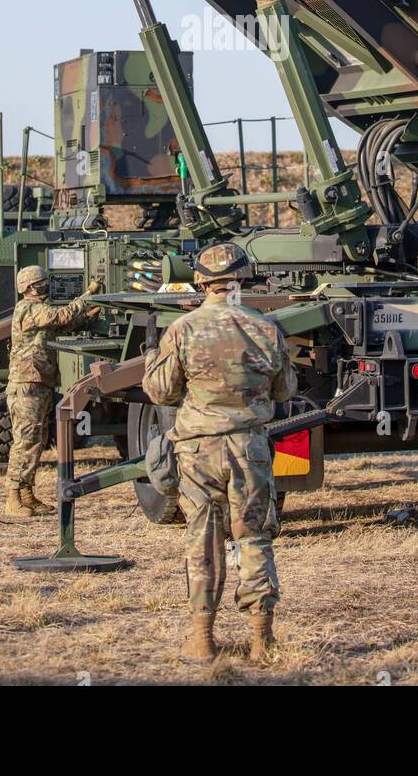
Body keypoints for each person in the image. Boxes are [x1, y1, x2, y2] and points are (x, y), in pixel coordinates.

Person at [142, 241, 297, 663]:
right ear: (241, 280)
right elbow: (286, 390)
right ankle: (263, 639)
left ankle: (202, 639)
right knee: (254, 537)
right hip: (250, 447)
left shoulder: (184, 330)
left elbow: (160, 391)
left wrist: (154, 359)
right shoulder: (265, 328)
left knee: (203, 540)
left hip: (198, 451)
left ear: (201, 282)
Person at [5, 263, 102, 520]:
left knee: (36, 440)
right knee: (25, 441)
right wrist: (88, 295)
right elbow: (60, 316)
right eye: (41, 283)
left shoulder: (38, 313)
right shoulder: (29, 309)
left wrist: (87, 316)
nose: (45, 286)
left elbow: (61, 326)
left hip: (39, 384)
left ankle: (26, 495)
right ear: (29, 288)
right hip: (26, 385)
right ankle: (13, 497)